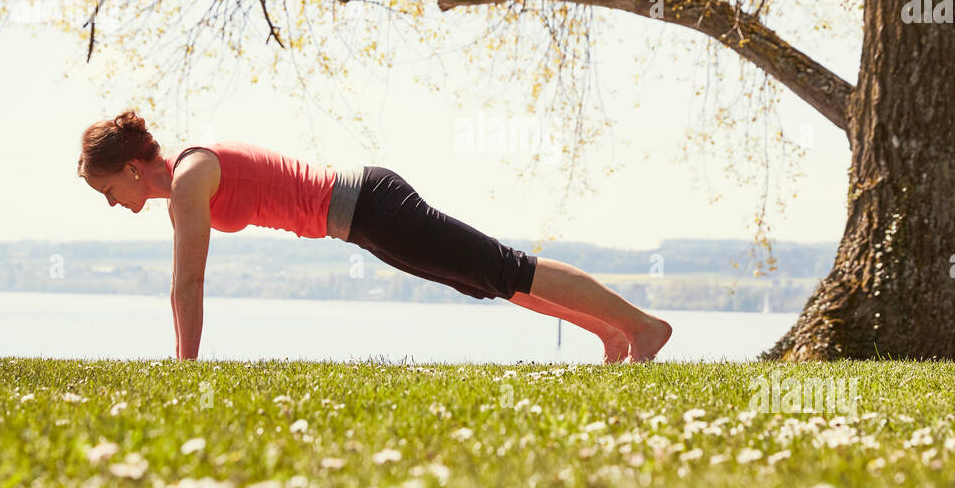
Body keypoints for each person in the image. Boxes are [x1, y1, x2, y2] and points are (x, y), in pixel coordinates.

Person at [77, 110, 673, 363]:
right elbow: (186, 282)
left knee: (503, 265)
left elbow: (187, 282)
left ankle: (643, 327)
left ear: (131, 168)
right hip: (362, 220)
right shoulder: (185, 182)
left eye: (107, 191)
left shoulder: (189, 178)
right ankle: (612, 336)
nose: (112, 204)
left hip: (371, 206)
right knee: (485, 279)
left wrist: (185, 369)